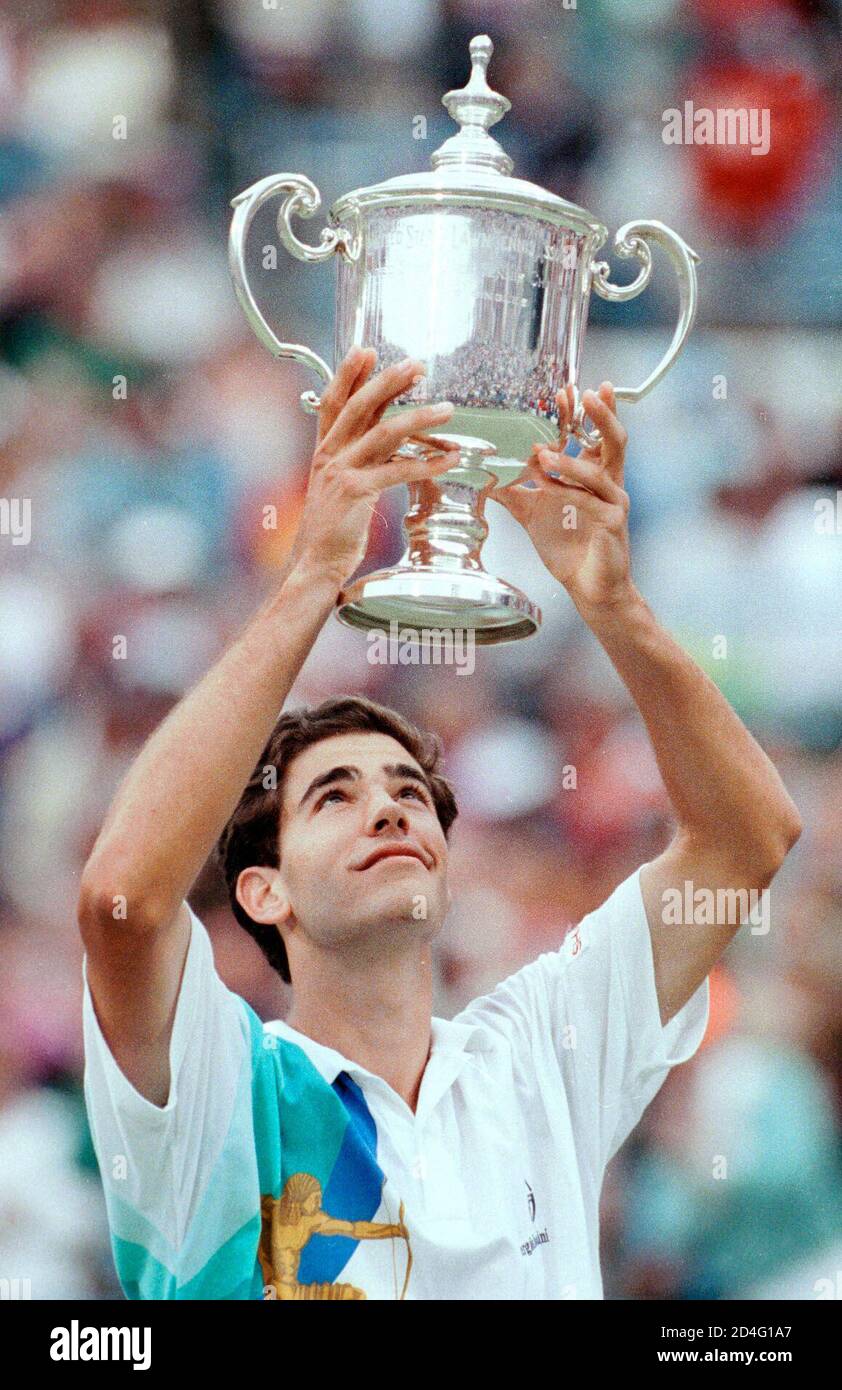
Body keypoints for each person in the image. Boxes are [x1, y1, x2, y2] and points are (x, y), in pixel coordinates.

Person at [78, 347, 802, 1300]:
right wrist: (312, 578)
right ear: (265, 891)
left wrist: (612, 602)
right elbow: (123, 901)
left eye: (411, 793)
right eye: (334, 795)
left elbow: (747, 839)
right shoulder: (220, 1085)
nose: (388, 804)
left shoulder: (541, 1050)